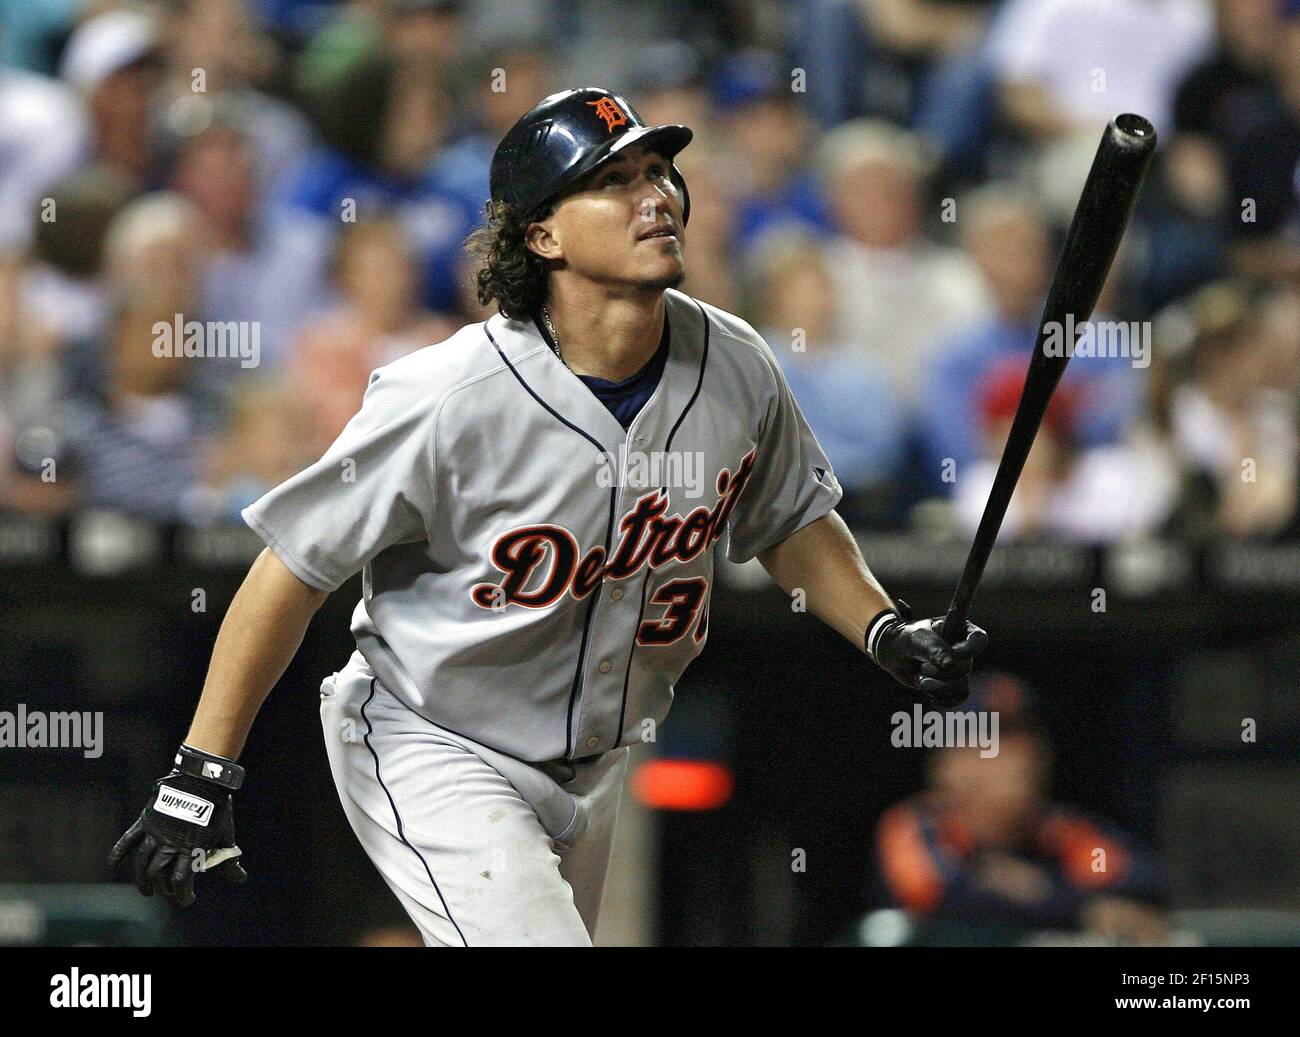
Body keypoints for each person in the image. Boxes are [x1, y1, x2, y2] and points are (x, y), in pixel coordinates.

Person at [110, 88, 988, 946]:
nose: (656, 197)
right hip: (435, 738)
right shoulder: (450, 393)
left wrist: (883, 628)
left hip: (599, 763)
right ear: (542, 234)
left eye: (659, 172)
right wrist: (200, 771)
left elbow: (791, 516)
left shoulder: (736, 363)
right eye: (614, 181)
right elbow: (293, 567)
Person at [876, 673, 1167, 941]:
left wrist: (1041, 889)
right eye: (996, 741)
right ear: (949, 766)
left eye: (1027, 736)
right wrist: (1073, 906)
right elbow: (935, 893)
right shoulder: (918, 824)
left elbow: (1138, 875)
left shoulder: (1053, 830)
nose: (1022, 756)